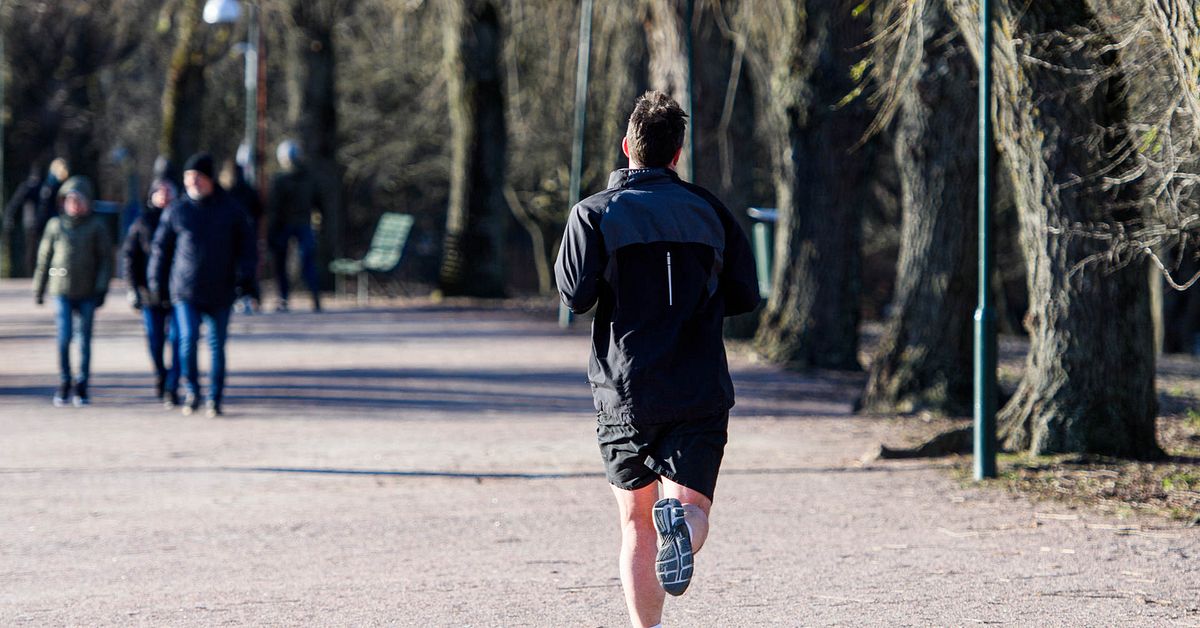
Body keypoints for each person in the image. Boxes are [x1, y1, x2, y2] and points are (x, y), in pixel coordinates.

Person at [554, 91, 759, 628]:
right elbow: (743, 296)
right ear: (677, 153)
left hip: (625, 389)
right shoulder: (711, 210)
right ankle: (683, 532)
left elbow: (575, 296)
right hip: (697, 386)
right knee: (692, 508)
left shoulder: (593, 213)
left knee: (634, 523)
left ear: (627, 147)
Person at [149, 153, 255, 418]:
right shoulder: (177, 210)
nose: (193, 182)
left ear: (209, 179)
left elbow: (248, 249)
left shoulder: (231, 210)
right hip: (185, 290)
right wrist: (155, 283)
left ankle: (215, 397)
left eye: (198, 177)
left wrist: (247, 281)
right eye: (188, 178)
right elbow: (160, 250)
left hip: (221, 290)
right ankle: (192, 389)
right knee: (187, 339)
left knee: (217, 345)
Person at [32, 176, 112, 407]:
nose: (75, 204)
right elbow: (44, 258)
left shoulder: (96, 226)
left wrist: (101, 288)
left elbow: (105, 260)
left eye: (79, 200)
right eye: (70, 200)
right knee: (64, 338)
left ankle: (82, 385)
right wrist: (39, 287)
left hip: (87, 291)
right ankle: (65, 381)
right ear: (63, 202)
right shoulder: (55, 225)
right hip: (62, 291)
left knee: (84, 340)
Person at [123, 177, 181, 407]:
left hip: (178, 293)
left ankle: (172, 386)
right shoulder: (142, 222)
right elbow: (130, 257)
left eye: (169, 191)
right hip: (150, 294)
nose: (164, 196)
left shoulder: (182, 219)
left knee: (179, 341)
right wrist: (133, 288)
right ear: (152, 195)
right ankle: (161, 373)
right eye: (160, 192)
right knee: (155, 342)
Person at [267, 140, 322, 312]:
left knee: (303, 261)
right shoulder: (301, 177)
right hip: (291, 225)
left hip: (295, 225)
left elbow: (274, 207)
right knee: (294, 261)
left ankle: (310, 296)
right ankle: (299, 297)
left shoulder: (286, 179)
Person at [220, 157, 264, 312]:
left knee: (238, 267)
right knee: (247, 267)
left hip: (233, 236)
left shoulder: (225, 193)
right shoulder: (247, 189)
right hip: (246, 235)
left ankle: (243, 296)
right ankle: (251, 296)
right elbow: (260, 210)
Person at [3, 164, 42, 276]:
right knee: (32, 251)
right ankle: (32, 274)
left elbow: (15, 204)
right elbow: (16, 204)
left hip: (34, 222)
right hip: (32, 223)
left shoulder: (41, 187)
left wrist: (10, 218)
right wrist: (10, 218)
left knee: (36, 250)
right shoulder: (30, 187)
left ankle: (35, 274)